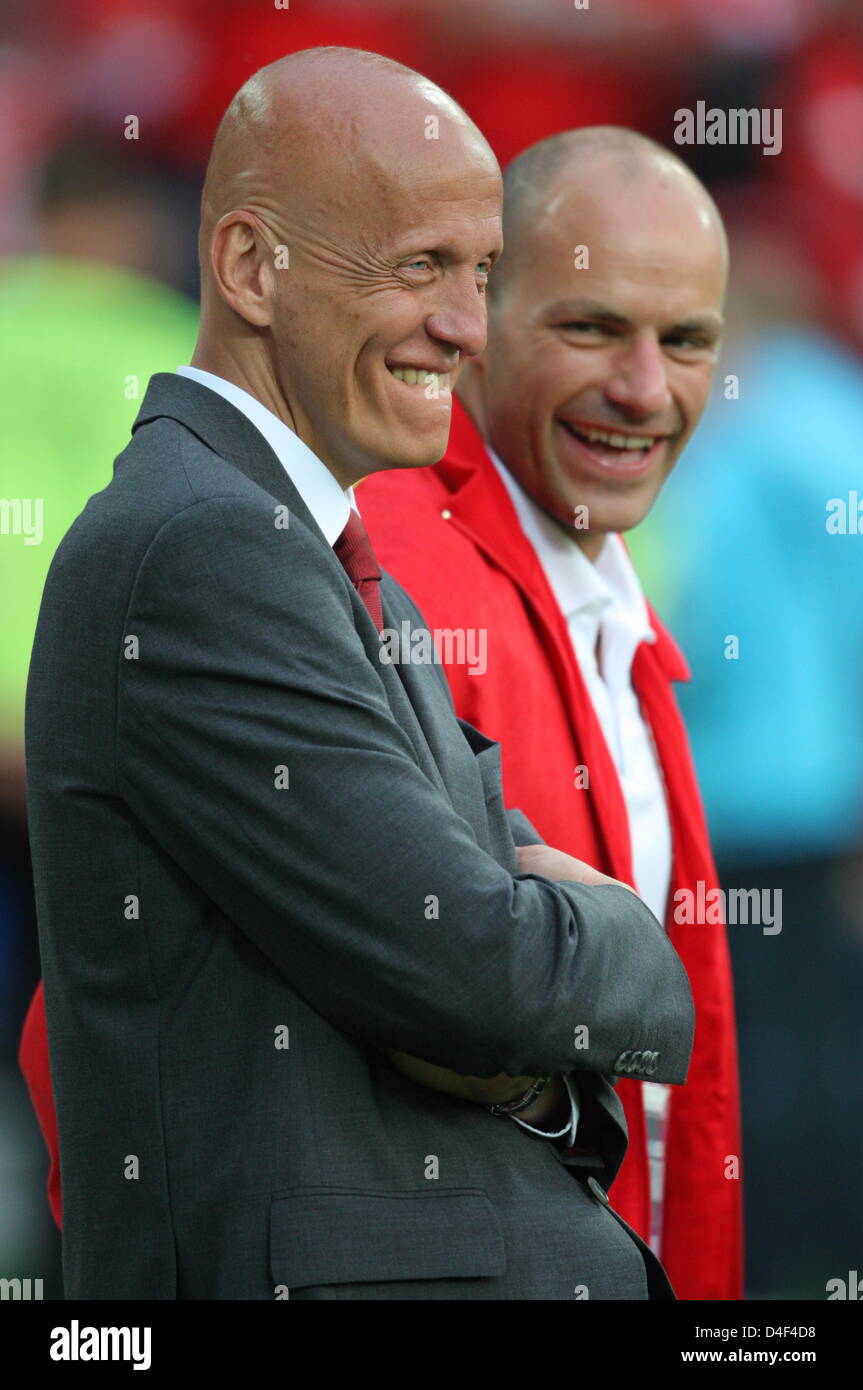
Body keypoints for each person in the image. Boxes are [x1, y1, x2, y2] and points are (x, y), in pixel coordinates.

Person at [20, 50, 693, 1299]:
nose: (462, 324)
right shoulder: (205, 546)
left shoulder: (291, 531)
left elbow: (459, 948)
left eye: (481, 273)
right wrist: (630, 934)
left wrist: (507, 996)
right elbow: (476, 967)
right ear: (245, 265)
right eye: (417, 266)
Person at [359, 127, 742, 1300]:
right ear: (475, 319)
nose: (643, 388)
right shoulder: (379, 559)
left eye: (684, 342)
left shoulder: (602, 591)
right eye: (588, 327)